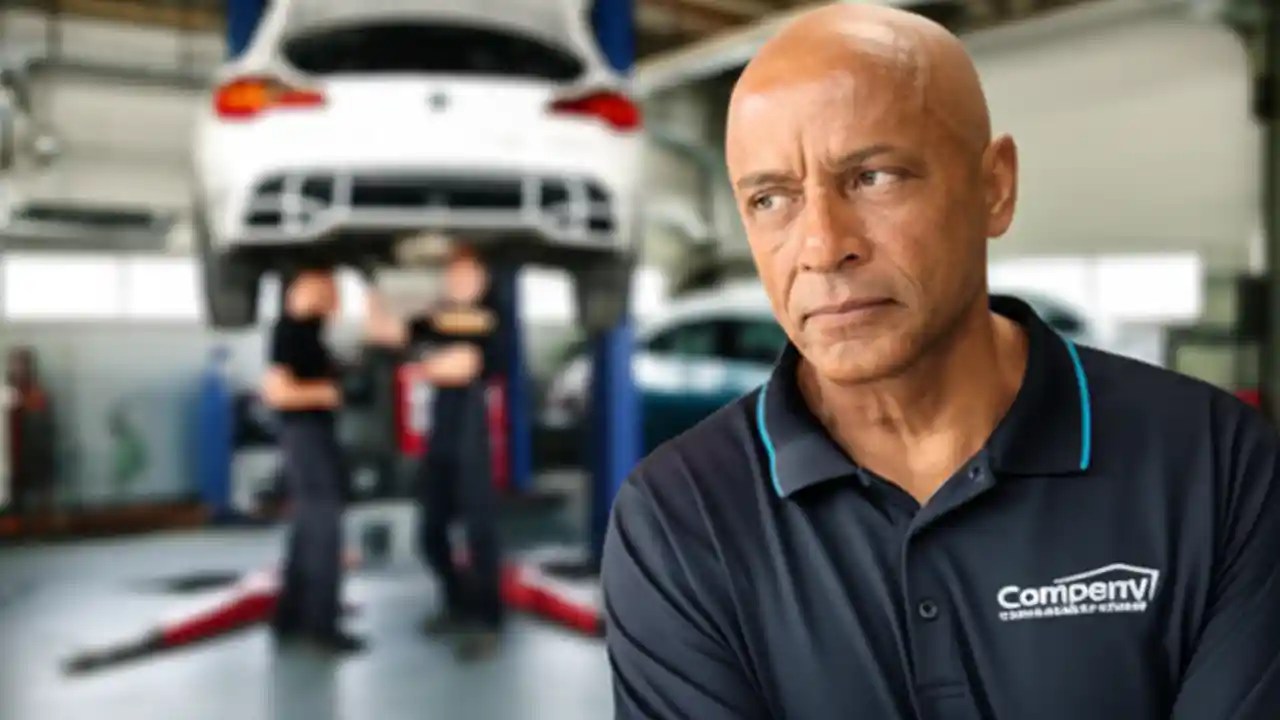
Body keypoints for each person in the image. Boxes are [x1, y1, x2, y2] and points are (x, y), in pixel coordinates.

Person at [602, 5, 1280, 719]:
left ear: (995, 187)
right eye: (772, 199)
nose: (822, 247)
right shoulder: (680, 518)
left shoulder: (1214, 465)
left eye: (874, 177)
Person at [365, 245, 505, 661]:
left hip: (472, 428)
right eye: (452, 274)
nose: (458, 282)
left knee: (479, 530)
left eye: (466, 275)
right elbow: (385, 334)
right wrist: (370, 288)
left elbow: (463, 365)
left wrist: (418, 362)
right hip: (440, 430)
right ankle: (456, 603)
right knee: (431, 531)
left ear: (482, 279)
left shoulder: (492, 317)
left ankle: (487, 620)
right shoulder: (438, 315)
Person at [262, 267, 365, 654]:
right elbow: (277, 392)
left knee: (307, 531)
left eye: (332, 288)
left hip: (315, 434)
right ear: (299, 289)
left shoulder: (314, 331)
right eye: (322, 287)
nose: (330, 295)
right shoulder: (289, 330)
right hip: (302, 434)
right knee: (324, 530)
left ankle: (289, 616)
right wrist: (327, 393)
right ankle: (322, 626)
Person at [5, 347, 56, 522]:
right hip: (13, 455)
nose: (17, 369)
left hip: (33, 454)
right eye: (14, 364)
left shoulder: (36, 393)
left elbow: (41, 425)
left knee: (37, 497)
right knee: (16, 497)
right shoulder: (8, 391)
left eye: (21, 364)